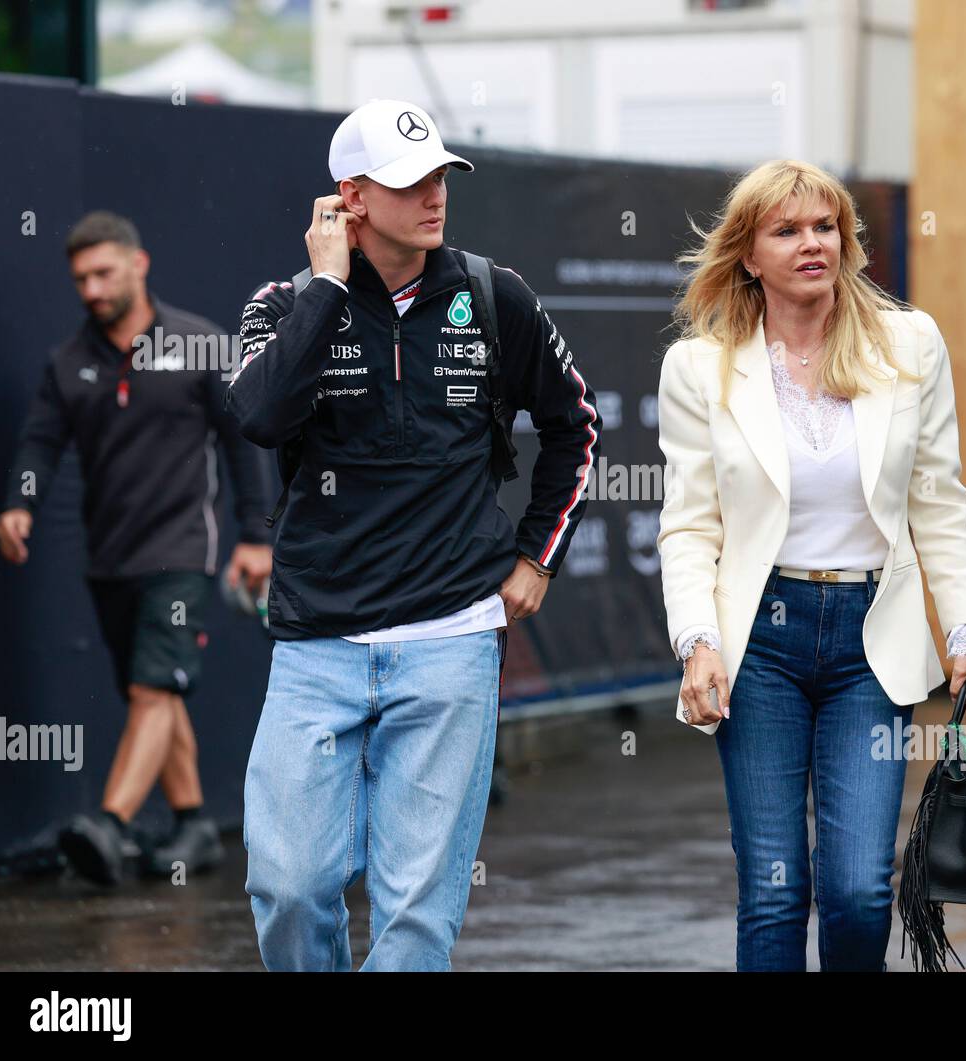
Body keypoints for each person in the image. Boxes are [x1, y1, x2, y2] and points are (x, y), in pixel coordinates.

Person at [227, 99, 601, 971]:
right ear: (350, 197)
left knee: (416, 914)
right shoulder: (285, 302)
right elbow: (257, 413)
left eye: (440, 173)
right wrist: (326, 290)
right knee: (287, 883)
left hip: (451, 640)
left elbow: (576, 425)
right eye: (408, 181)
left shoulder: (491, 293)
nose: (434, 194)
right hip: (317, 641)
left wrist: (537, 555)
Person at [655, 159, 966, 971]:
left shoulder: (911, 344)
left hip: (871, 643)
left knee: (858, 891)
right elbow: (689, 526)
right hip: (759, 646)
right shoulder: (699, 368)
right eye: (787, 230)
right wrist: (697, 640)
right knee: (773, 890)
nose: (814, 243)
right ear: (747, 253)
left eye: (826, 226)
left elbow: (939, 503)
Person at [0, 210, 274, 885]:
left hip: (183, 552)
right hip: (109, 555)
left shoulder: (200, 343)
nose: (91, 288)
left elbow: (242, 442)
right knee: (157, 692)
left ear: (138, 264)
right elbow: (38, 443)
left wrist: (258, 537)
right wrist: (19, 502)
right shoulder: (67, 364)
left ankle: (110, 823)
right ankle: (193, 824)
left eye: (103, 272)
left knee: (153, 687)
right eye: (80, 278)